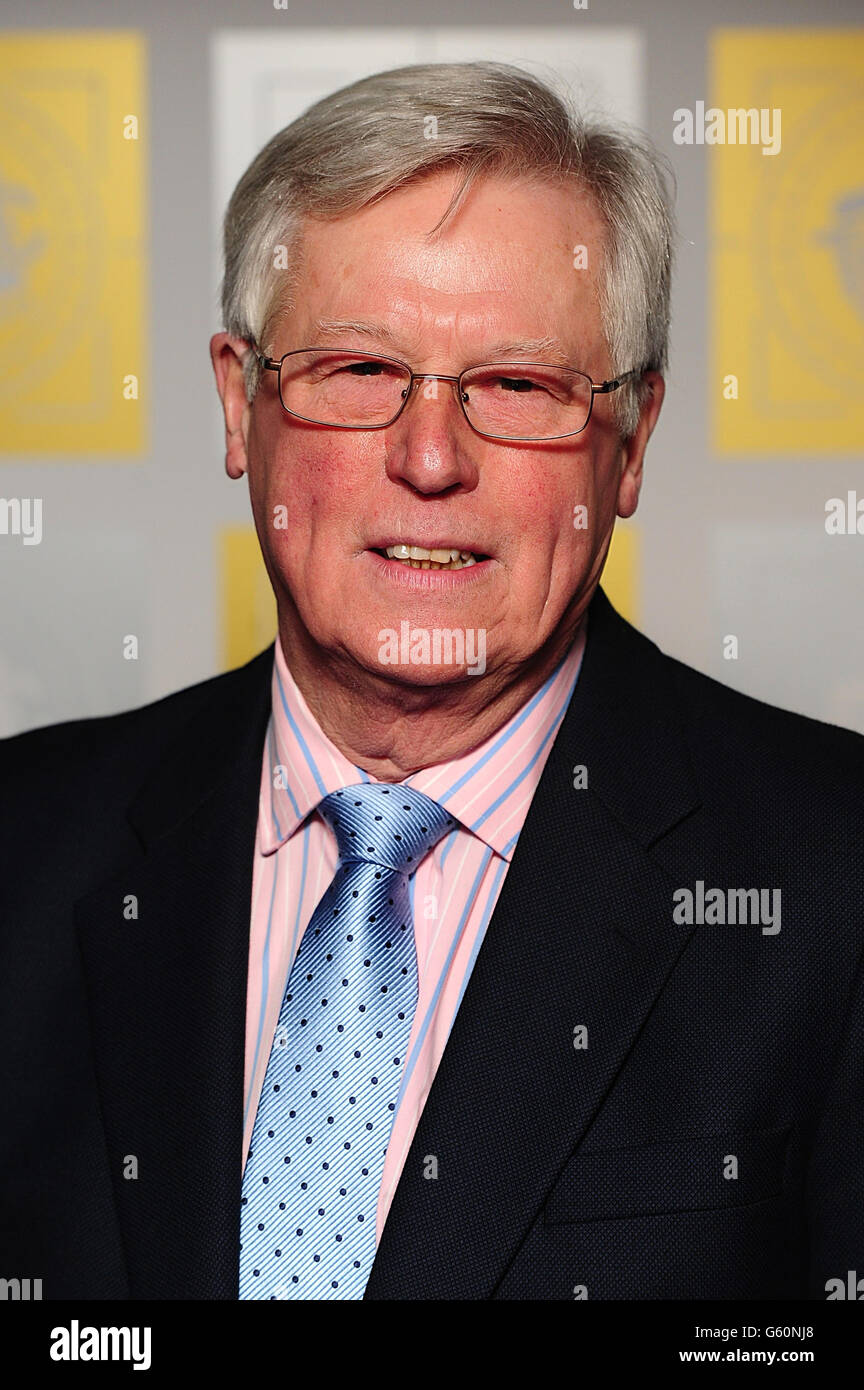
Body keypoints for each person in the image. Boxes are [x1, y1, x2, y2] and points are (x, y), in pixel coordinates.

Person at [1, 61, 861, 1302]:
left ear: (633, 443)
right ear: (240, 404)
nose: (430, 457)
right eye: (357, 371)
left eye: (520, 385)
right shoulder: (24, 847)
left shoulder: (833, 879)